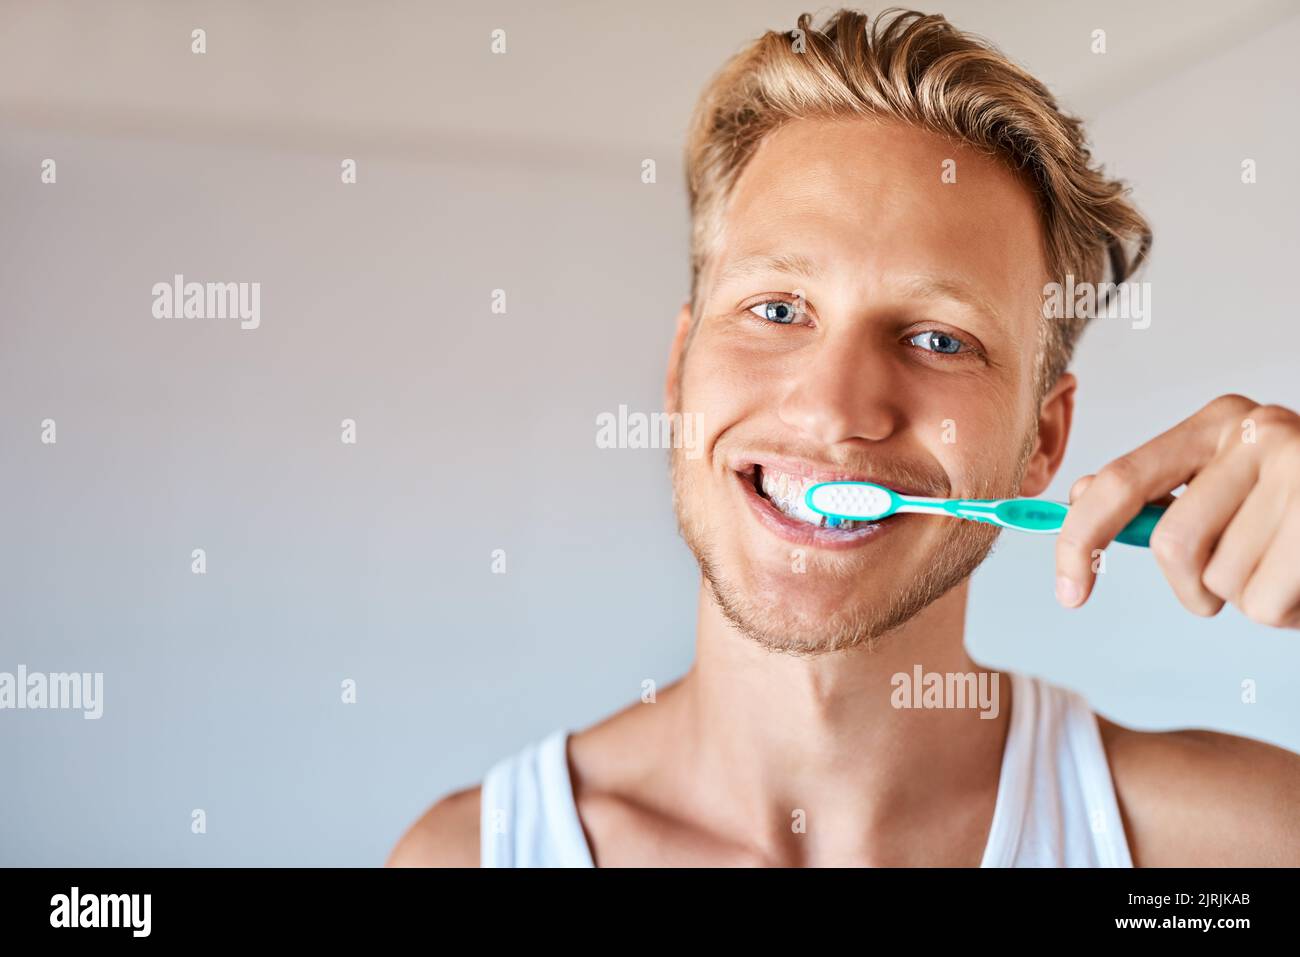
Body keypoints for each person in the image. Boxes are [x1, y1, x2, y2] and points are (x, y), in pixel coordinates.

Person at [389, 8, 1300, 867]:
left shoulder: (1223, 852)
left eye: (940, 338)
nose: (834, 409)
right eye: (778, 309)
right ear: (679, 370)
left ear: (1042, 439)